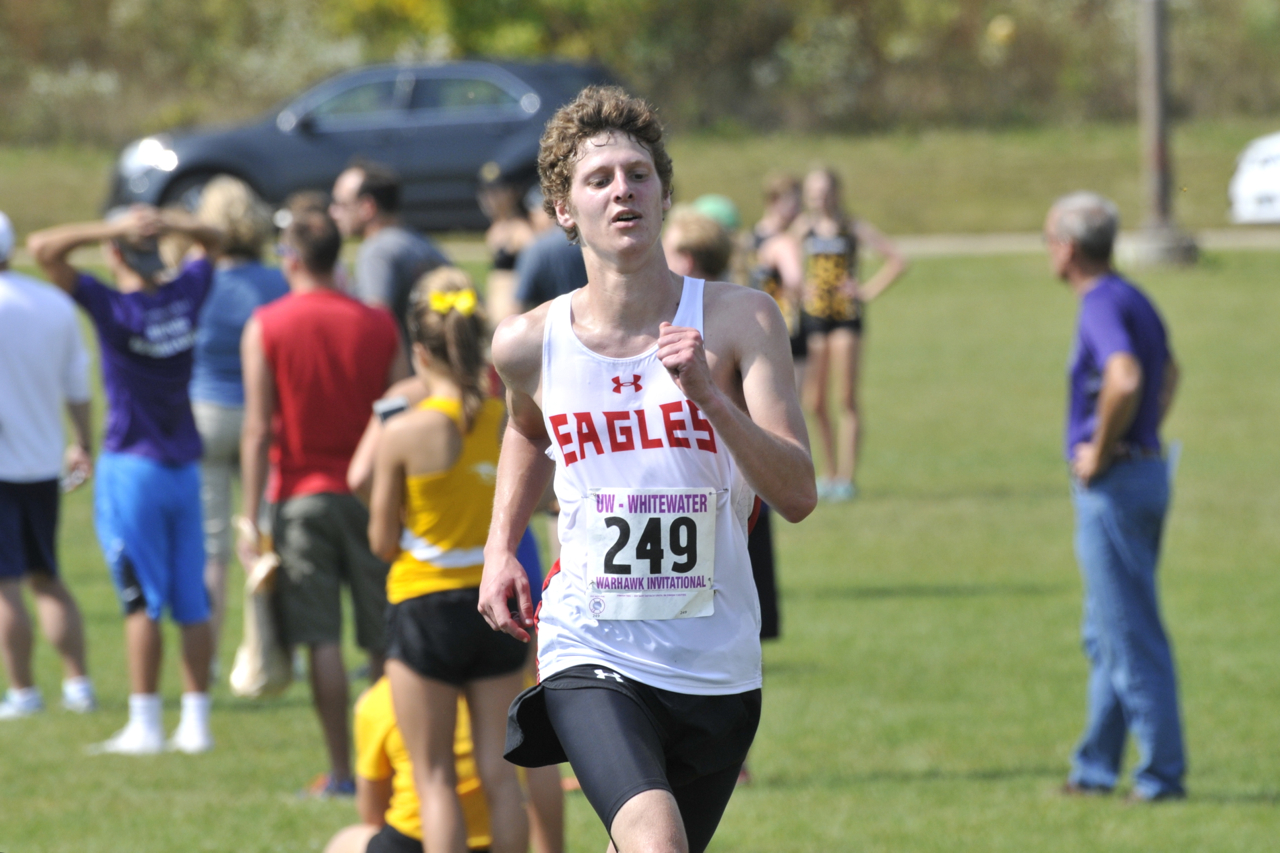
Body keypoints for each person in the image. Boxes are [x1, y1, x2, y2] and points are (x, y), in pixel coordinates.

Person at [478, 86, 817, 853]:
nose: (622, 189)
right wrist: (500, 545)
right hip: (590, 641)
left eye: (638, 173)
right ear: (565, 210)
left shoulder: (740, 320)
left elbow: (797, 492)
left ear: (665, 195)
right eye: (598, 179)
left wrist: (710, 399)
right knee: (654, 843)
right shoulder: (529, 343)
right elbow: (526, 429)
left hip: (717, 660)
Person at [27, 205, 223, 754]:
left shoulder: (111, 303)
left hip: (132, 468)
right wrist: (171, 223)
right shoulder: (185, 295)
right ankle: (197, 724)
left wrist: (114, 228)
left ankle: (145, 724)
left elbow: (43, 245)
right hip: (185, 468)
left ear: (115, 253)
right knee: (192, 602)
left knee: (142, 601)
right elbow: (217, 240)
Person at [237, 210, 408, 795]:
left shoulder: (267, 323)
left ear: (290, 258)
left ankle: (342, 771)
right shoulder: (377, 322)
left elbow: (258, 428)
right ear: (338, 258)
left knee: (322, 641)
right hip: (372, 494)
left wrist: (248, 514)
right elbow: (399, 409)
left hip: (299, 497)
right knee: (383, 638)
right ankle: (386, 765)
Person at [367, 268, 530, 853]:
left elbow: (382, 541)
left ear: (419, 353)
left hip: (424, 603)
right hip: (495, 602)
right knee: (499, 774)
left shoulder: (404, 433)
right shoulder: (506, 422)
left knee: (433, 775)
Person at [1045, 192, 1186, 802]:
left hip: (1117, 485)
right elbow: (1170, 371)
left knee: (1130, 636)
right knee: (1108, 633)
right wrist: (1142, 434)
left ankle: (1161, 777)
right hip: (1145, 473)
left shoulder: (1100, 301)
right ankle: (1096, 769)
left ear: (1068, 249)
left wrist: (1104, 449)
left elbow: (1125, 375)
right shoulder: (1132, 295)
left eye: (1049, 240)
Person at [0, 210, 96, 719]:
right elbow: (78, 385)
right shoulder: (51, 303)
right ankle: (78, 685)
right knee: (47, 577)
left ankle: (23, 691)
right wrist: (83, 441)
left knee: (5, 585)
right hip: (40, 462)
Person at [189, 177, 289, 656]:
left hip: (205, 413)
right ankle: (264, 651)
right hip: (262, 416)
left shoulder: (195, 277)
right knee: (260, 539)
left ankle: (204, 664)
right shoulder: (275, 279)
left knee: (210, 550)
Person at [793, 166, 908, 501]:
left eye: (824, 190)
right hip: (814, 318)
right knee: (814, 401)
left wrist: (867, 290)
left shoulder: (851, 226)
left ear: (836, 192)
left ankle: (847, 477)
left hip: (845, 318)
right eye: (813, 191)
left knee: (845, 398)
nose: (819, 197)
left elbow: (896, 260)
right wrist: (801, 289)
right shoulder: (804, 227)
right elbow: (781, 261)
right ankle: (828, 474)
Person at [323, 676, 492, 853]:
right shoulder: (507, 687)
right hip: (499, 838)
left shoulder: (381, 699)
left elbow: (373, 815)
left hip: (415, 839)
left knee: (344, 842)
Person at [329, 160, 450, 347]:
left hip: (407, 372)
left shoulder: (377, 251)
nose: (333, 212)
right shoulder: (419, 242)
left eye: (341, 204)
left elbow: (374, 323)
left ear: (367, 207)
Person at [749, 174, 806, 386]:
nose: (799, 210)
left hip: (755, 328)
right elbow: (795, 280)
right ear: (775, 201)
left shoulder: (752, 236)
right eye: (795, 203)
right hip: (787, 331)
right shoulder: (784, 241)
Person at [513, 187, 588, 312]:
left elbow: (518, 304)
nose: (532, 220)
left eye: (534, 214)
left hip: (550, 327)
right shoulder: (590, 240)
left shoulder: (536, 250)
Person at [478, 169, 536, 325]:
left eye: (496, 193)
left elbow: (533, 276)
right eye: (485, 193)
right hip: (495, 315)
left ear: (512, 193)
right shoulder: (495, 228)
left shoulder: (521, 231)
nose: (489, 199)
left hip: (513, 316)